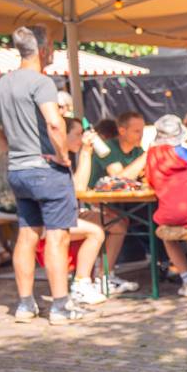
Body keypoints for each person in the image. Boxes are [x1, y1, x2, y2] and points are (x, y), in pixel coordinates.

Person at [0, 25, 88, 325]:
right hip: (45, 168)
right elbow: (54, 123)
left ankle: (26, 304)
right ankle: (60, 305)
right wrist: (63, 156)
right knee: (57, 236)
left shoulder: (3, 84)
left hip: (18, 169)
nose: (52, 50)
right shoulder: (41, 82)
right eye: (51, 45)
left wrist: (14, 150)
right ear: (41, 48)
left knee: (26, 234)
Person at [146, 115, 187, 299]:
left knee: (167, 235)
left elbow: (151, 180)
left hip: (171, 211)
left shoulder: (152, 155)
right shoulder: (186, 153)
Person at [87, 111, 145, 293]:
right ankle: (104, 276)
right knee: (119, 225)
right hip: (93, 202)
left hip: (120, 204)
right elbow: (120, 179)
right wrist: (148, 155)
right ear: (122, 131)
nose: (141, 135)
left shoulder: (137, 150)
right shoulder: (106, 148)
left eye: (142, 130)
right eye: (136, 131)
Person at [62, 117, 108, 306]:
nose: (81, 138)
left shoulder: (67, 156)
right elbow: (79, 188)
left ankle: (104, 276)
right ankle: (81, 283)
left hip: (68, 214)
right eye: (78, 134)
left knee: (113, 221)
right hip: (51, 222)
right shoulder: (59, 157)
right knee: (96, 231)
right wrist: (87, 153)